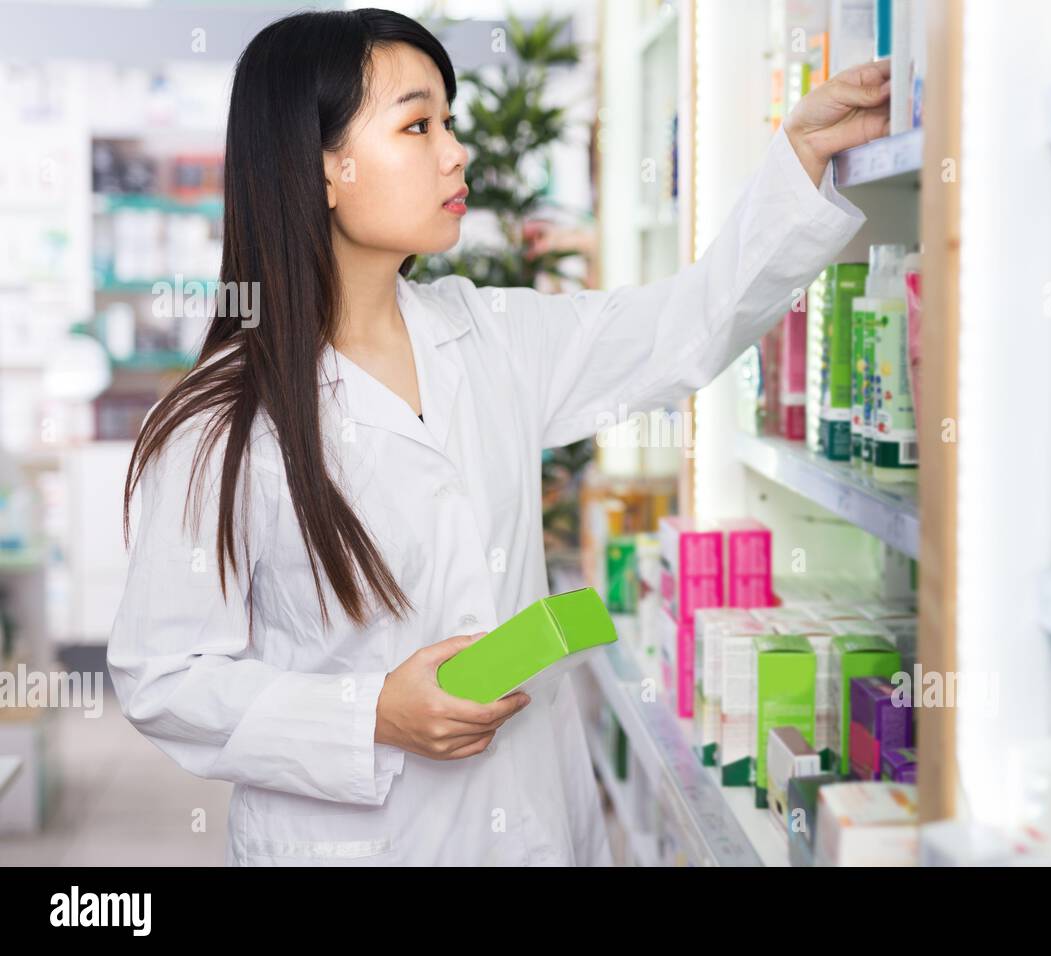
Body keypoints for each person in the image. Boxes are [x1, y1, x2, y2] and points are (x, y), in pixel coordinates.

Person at [106, 8, 884, 866]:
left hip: (533, 823)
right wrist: (370, 714)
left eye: (451, 121)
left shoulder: (490, 335)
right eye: (417, 125)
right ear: (323, 167)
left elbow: (681, 326)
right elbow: (165, 677)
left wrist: (800, 160)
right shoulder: (219, 422)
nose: (455, 152)